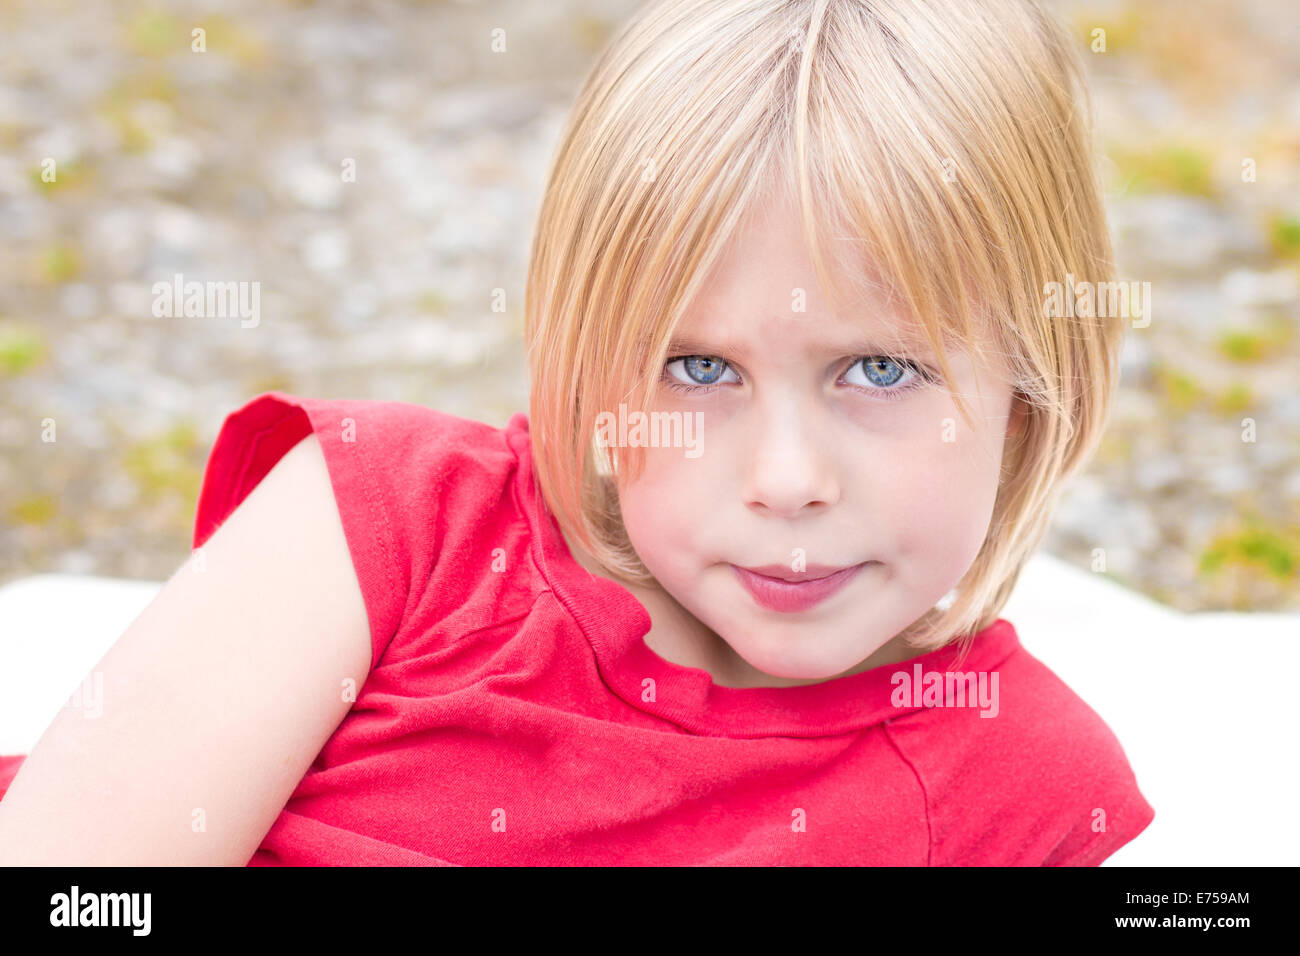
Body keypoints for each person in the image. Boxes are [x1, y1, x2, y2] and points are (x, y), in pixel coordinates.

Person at [0, 0, 1153, 865]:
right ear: (593, 368)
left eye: (880, 368)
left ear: (1033, 385)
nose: (787, 478)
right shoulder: (383, 526)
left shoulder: (1025, 789)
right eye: (699, 367)